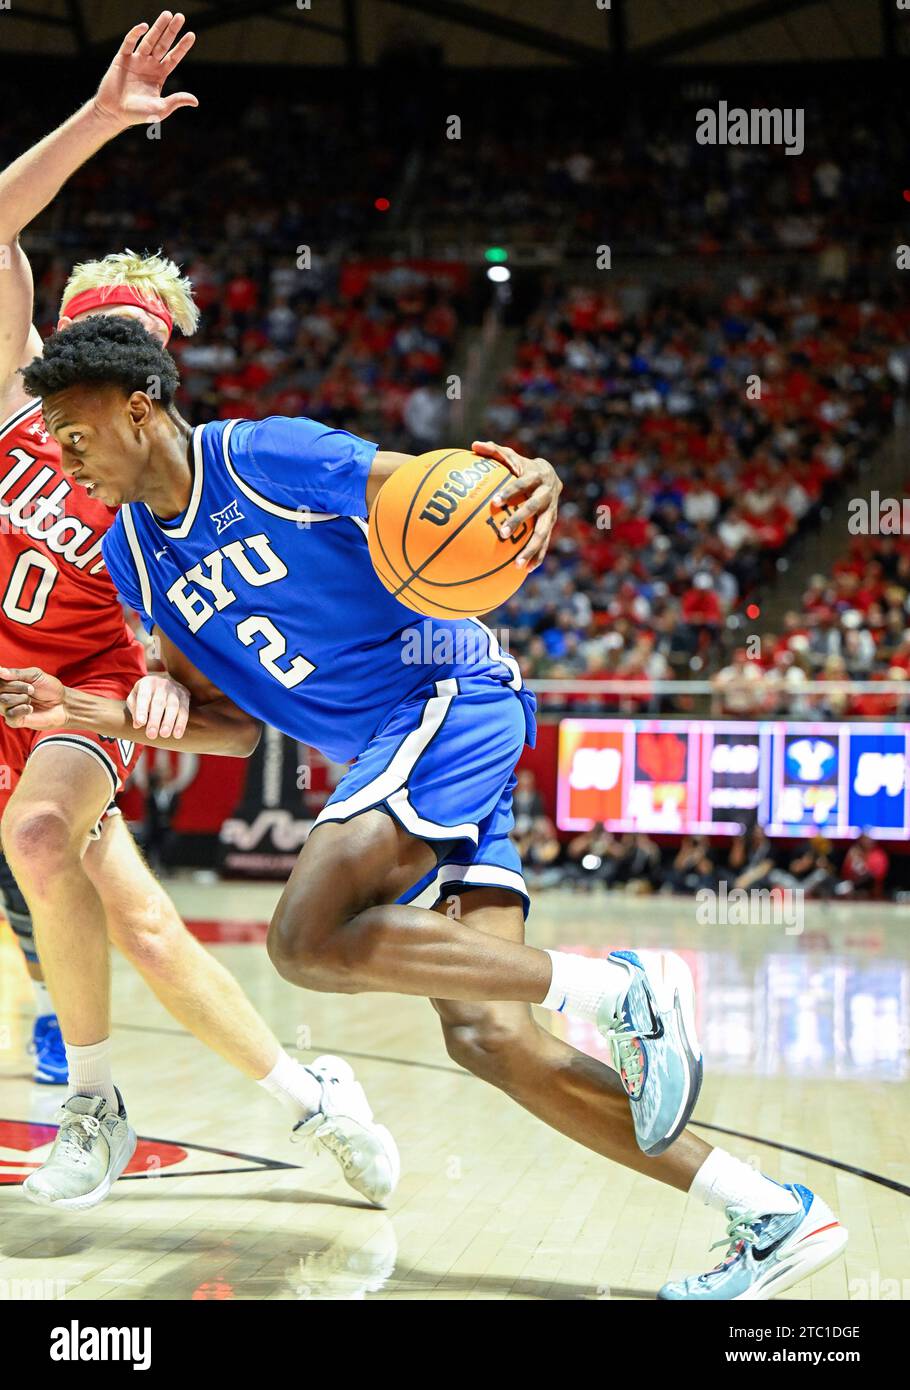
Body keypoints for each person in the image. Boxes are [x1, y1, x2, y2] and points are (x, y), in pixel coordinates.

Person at [2, 313, 849, 1300]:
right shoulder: (135, 558)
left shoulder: (264, 456)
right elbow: (228, 729)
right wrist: (96, 709)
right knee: (490, 1035)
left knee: (304, 938)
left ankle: (627, 991)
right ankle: (771, 1212)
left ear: (140, 408)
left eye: (76, 432)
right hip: (402, 751)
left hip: (448, 698)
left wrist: (532, 477)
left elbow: (447, 490)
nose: (67, 457)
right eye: (54, 439)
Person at [0, 12, 397, 1208]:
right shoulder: (14, 400)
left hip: (65, 705)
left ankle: (95, 1106)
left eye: (135, 342)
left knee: (63, 858)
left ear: (157, 378)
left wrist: (142, 694)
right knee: (150, 935)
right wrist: (101, 118)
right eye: (94, 330)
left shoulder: (170, 495)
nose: (109, 353)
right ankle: (313, 1097)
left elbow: (198, 690)